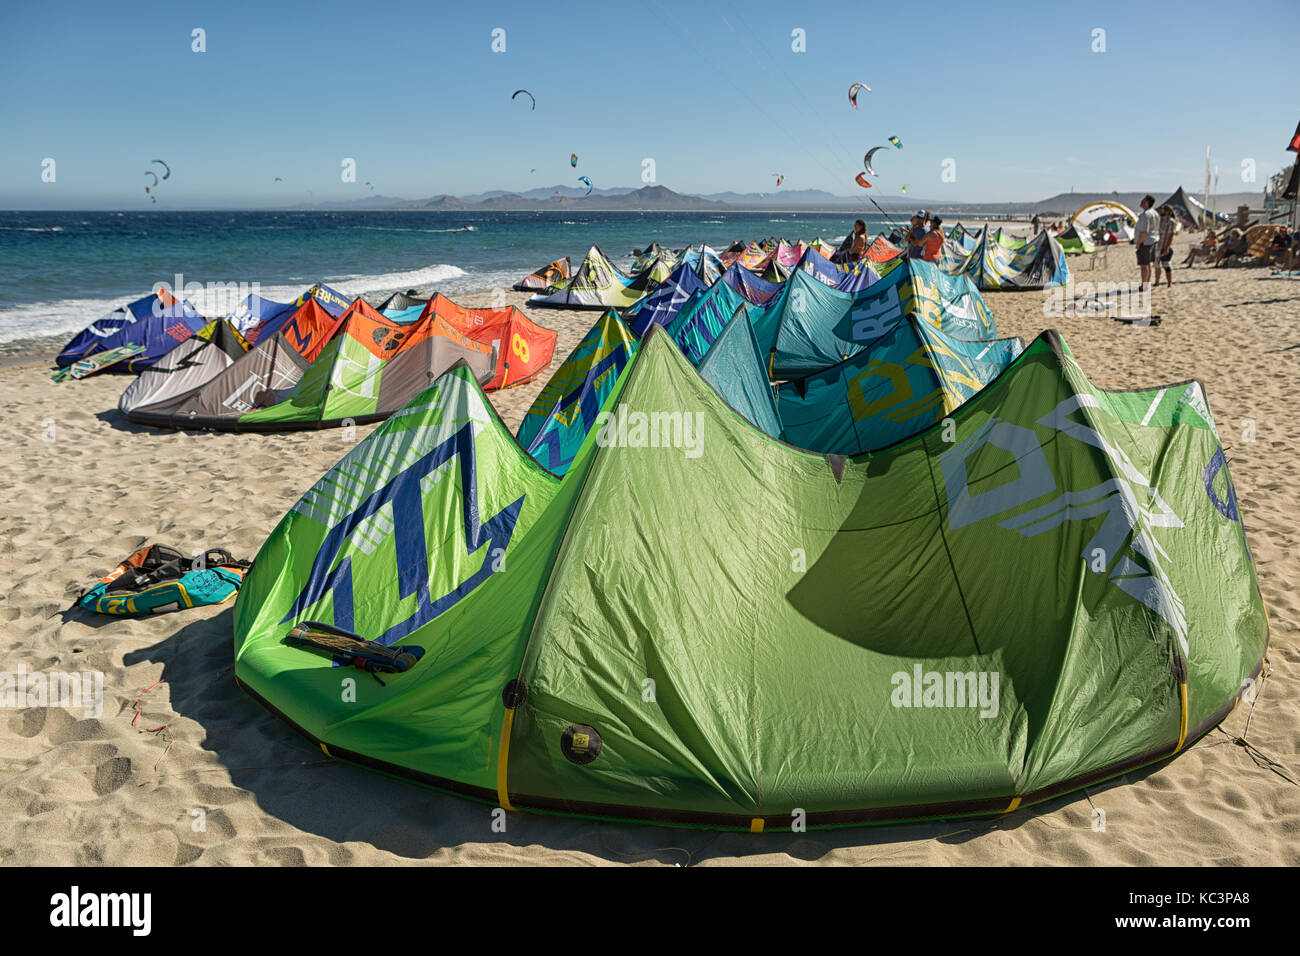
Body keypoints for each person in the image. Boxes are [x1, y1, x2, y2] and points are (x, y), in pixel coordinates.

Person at [1133, 195, 1159, 290]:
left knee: (1144, 265)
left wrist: (1138, 243)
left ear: (1147, 202)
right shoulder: (1155, 213)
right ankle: (1146, 284)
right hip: (1153, 240)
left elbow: (1144, 231)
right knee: (1148, 264)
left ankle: (1144, 285)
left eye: (1143, 201)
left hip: (1146, 242)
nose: (1141, 202)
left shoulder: (1145, 215)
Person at [1155, 205, 1176, 288]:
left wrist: (1167, 248)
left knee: (1166, 265)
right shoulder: (1160, 220)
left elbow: (1171, 236)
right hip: (1158, 245)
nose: (1161, 211)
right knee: (1157, 265)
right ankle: (1157, 282)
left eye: (1163, 210)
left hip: (1165, 246)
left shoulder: (1171, 222)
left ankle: (1169, 283)